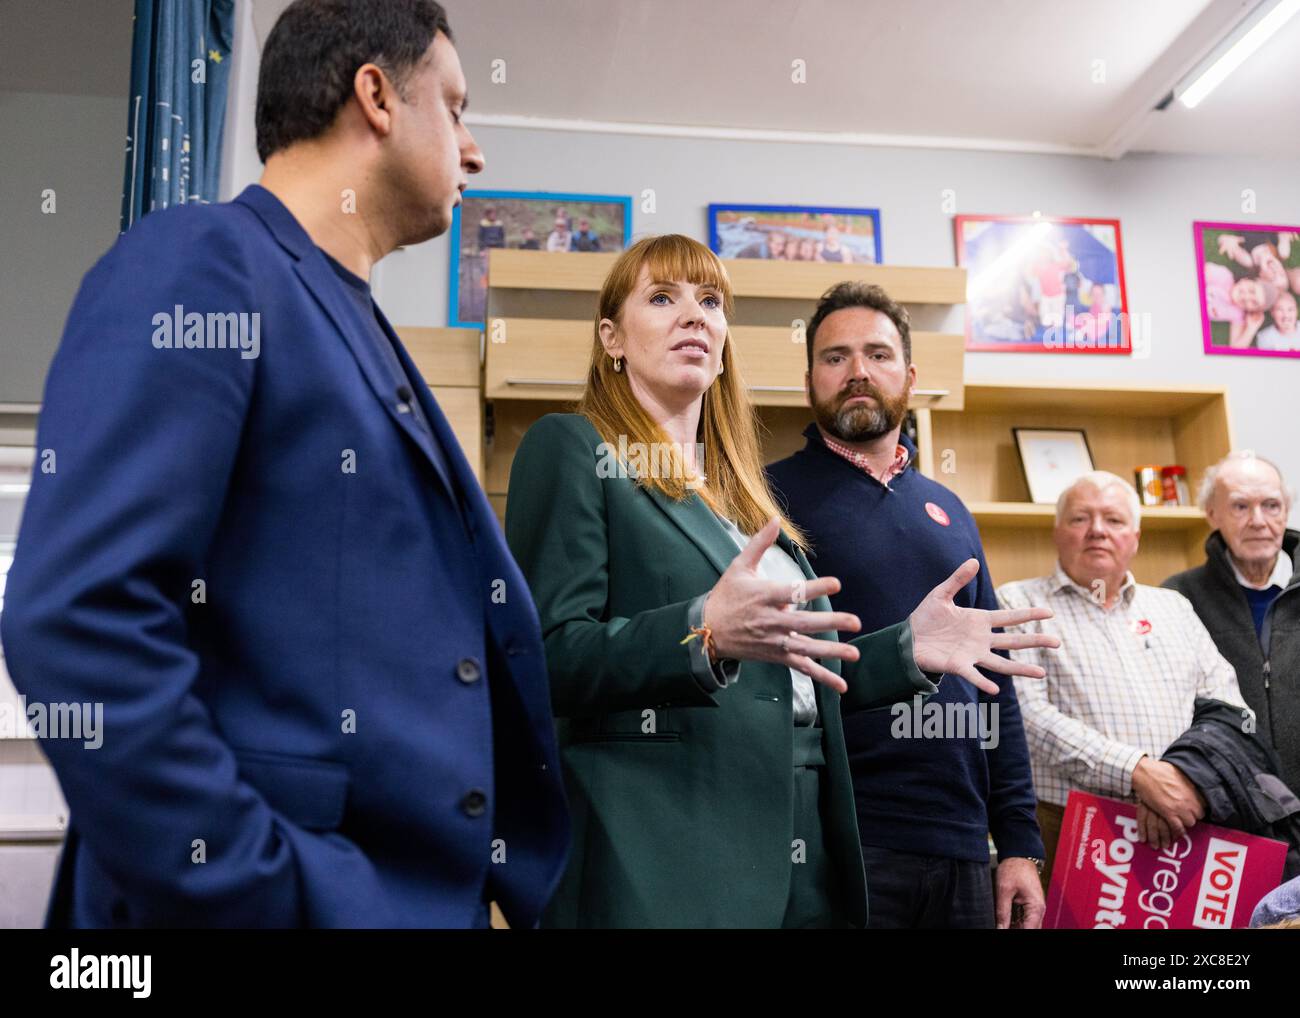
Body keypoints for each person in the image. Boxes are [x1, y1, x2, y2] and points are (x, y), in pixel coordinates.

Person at [0, 0, 568, 928]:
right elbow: (78, 618)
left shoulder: (358, 325)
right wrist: (267, 893)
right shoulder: (204, 262)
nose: (473, 151)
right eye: (457, 108)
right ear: (377, 96)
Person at [504, 234, 1060, 928]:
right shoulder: (574, 447)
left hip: (802, 849)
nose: (695, 316)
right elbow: (548, 658)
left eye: (710, 301)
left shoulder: (740, 495)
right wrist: (703, 636)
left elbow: (784, 679)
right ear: (612, 337)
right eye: (663, 297)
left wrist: (903, 651)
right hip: (665, 852)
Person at [767, 282, 1046, 930]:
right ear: (809, 378)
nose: (858, 371)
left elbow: (996, 684)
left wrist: (1019, 843)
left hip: (962, 844)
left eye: (877, 354)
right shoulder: (768, 500)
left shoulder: (951, 512)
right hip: (836, 837)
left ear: (910, 376)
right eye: (835, 357)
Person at [996, 473, 1248, 882]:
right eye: (1080, 519)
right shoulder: (1017, 603)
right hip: (1069, 831)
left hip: (1186, 822)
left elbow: (1227, 704)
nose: (1097, 530)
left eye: (1113, 520)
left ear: (1135, 536)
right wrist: (1138, 773)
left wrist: (1183, 778)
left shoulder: (1173, 607)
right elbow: (1025, 715)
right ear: (1057, 532)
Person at [1164, 452, 1299, 792]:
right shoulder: (1176, 599)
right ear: (1212, 514)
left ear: (1286, 510)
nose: (1258, 520)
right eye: (1240, 507)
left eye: (1271, 505)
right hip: (1230, 804)